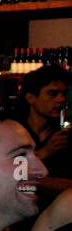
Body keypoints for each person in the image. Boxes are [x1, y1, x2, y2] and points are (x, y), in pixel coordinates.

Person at [19, 64, 71, 199]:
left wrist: (27, 181)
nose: (61, 99)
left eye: (64, 94)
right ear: (31, 97)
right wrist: (45, 152)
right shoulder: (13, 132)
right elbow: (0, 174)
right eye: (53, 93)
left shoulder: (64, 136)